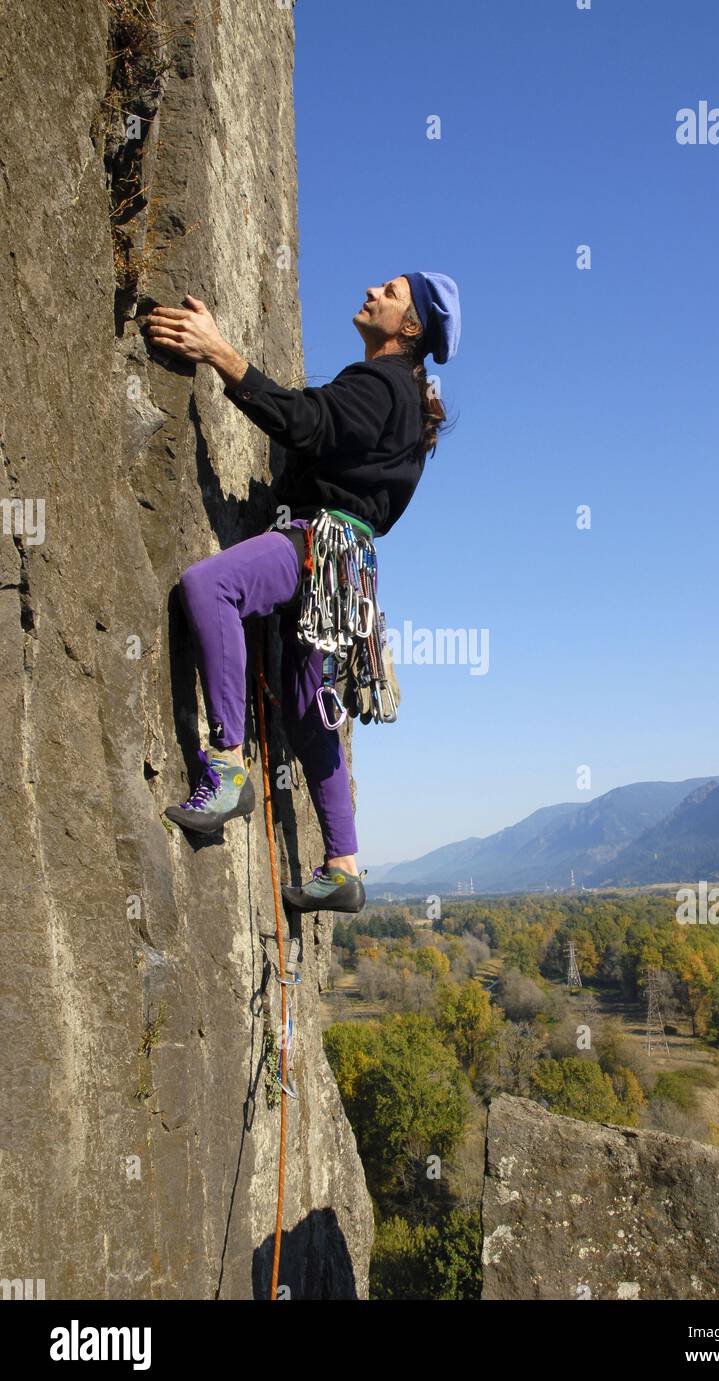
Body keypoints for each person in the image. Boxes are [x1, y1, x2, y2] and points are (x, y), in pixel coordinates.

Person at [144, 272, 461, 912]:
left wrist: (217, 352)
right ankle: (343, 864)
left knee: (210, 585)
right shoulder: (403, 398)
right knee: (304, 702)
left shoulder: (378, 383)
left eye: (393, 291)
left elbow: (306, 423)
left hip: (314, 546)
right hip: (345, 574)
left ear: (410, 327)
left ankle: (228, 763)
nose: (375, 290)